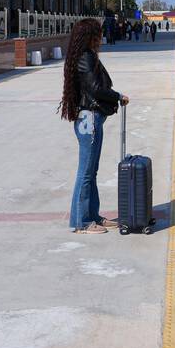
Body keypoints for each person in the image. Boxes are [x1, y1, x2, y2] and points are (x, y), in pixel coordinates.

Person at [60, 18, 128, 234]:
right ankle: (81, 222)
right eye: (98, 34)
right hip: (89, 121)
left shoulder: (85, 57)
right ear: (90, 36)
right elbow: (97, 89)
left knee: (92, 171)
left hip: (89, 120)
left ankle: (92, 216)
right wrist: (118, 96)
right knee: (86, 173)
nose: (101, 37)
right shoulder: (86, 58)